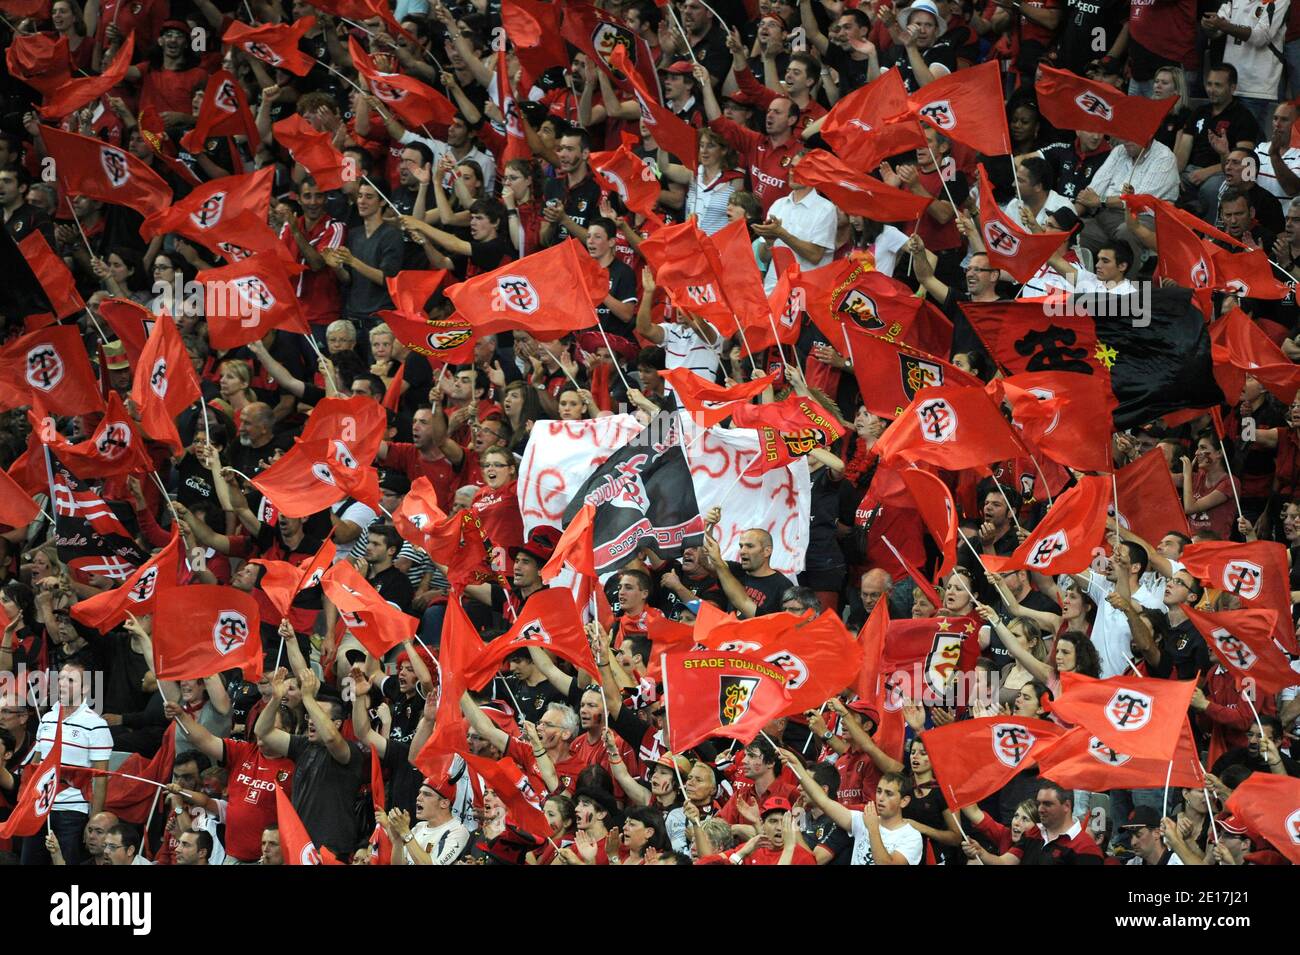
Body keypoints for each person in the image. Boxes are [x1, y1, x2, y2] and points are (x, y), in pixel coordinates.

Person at [701, 521, 796, 618]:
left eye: (750, 546)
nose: (742, 551)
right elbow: (706, 563)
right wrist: (709, 530)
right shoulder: (735, 570)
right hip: (729, 632)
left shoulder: (783, 586)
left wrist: (718, 560)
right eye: (741, 546)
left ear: (767, 551)